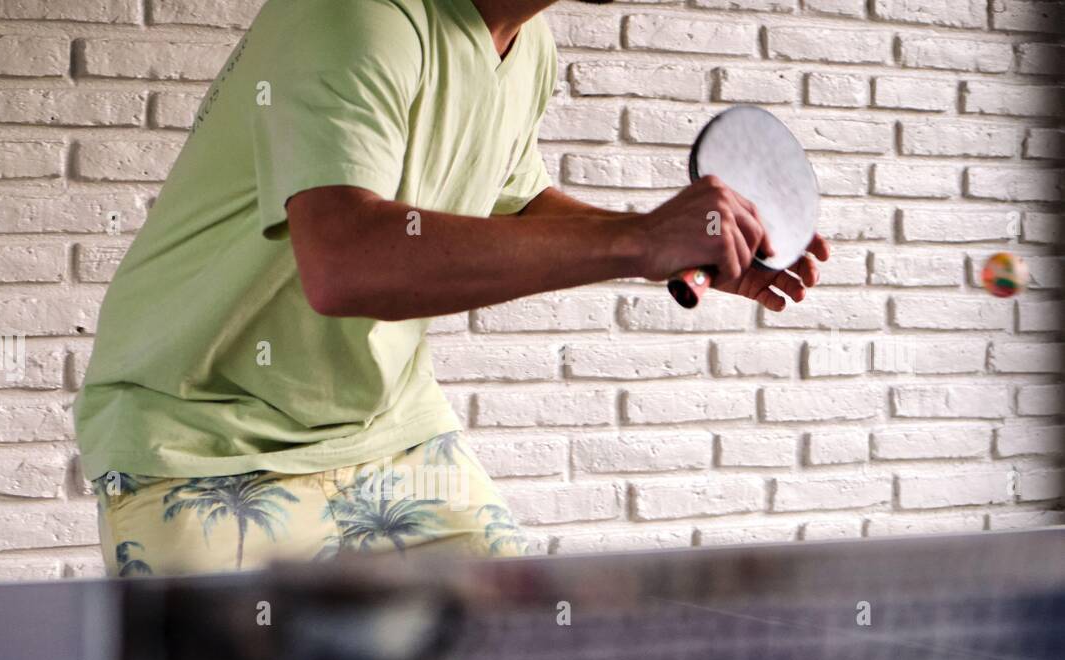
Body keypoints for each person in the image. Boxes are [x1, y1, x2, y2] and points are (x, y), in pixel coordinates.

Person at [74, 0, 830, 577]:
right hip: (199, 435)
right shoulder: (356, 15)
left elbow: (515, 198)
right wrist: (636, 242)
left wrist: (673, 245)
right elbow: (345, 262)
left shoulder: (524, 47)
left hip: (388, 430)